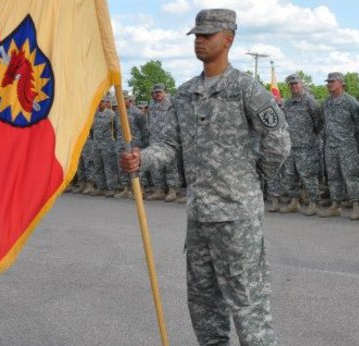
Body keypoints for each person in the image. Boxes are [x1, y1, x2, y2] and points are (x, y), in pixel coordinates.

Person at [120, 9, 288, 345]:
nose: (199, 41)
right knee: (204, 305)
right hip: (199, 217)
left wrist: (250, 180)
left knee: (249, 306)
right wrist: (143, 158)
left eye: (207, 35)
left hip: (237, 217)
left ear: (229, 39)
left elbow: (279, 142)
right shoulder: (185, 93)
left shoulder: (246, 89)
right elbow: (170, 144)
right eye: (196, 35)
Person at [319, 72, 359, 220]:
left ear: (341, 83)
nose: (329, 84)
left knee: (350, 177)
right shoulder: (326, 103)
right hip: (331, 146)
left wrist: (351, 140)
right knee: (333, 177)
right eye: (328, 82)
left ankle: (356, 206)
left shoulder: (350, 102)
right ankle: (336, 205)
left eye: (332, 82)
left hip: (347, 146)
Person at [279, 73, 324, 216]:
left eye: (296, 83)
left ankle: (313, 203)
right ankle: (294, 202)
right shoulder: (287, 103)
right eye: (291, 84)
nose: (294, 86)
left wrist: (310, 137)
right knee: (290, 175)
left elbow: (319, 122)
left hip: (306, 146)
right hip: (290, 145)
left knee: (308, 176)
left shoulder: (310, 102)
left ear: (301, 84)